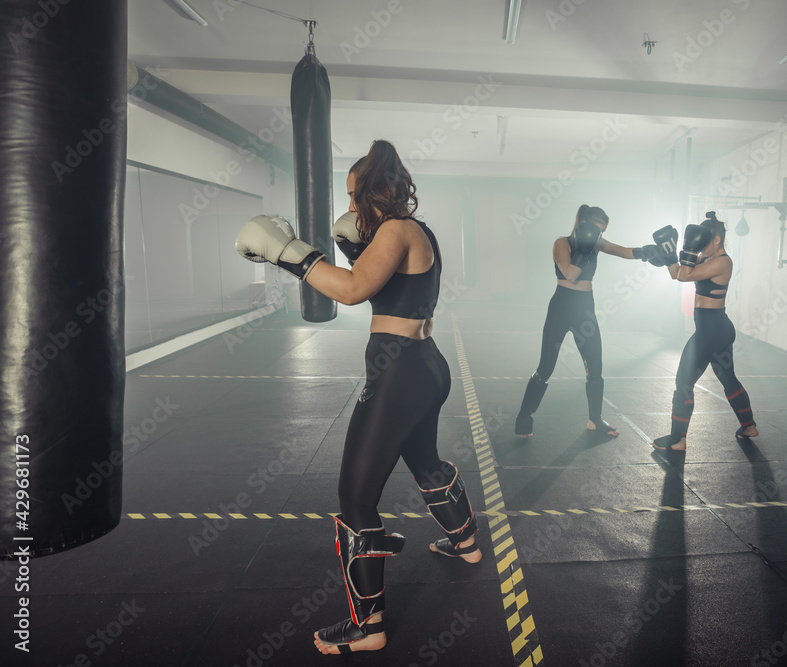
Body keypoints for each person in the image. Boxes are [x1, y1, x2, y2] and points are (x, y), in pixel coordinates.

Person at [235, 139, 480, 656]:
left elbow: (350, 291)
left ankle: (368, 627)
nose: (349, 206)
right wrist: (351, 251)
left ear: (379, 191)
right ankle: (466, 543)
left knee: (355, 498)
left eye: (355, 195)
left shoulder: (394, 231)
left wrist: (288, 252)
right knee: (425, 460)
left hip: (399, 376)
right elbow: (390, 287)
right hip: (426, 364)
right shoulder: (418, 230)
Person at [515, 204, 669, 438]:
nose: (599, 235)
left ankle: (595, 421)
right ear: (584, 224)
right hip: (561, 307)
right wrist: (584, 248)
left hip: (585, 309)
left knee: (595, 367)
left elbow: (623, 251)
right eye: (597, 229)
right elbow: (570, 274)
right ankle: (524, 418)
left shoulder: (597, 243)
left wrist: (647, 252)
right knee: (546, 367)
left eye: (602, 231)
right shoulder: (561, 243)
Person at [653, 211, 757, 451]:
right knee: (727, 377)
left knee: (684, 381)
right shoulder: (706, 258)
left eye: (703, 241)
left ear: (717, 240)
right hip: (717, 328)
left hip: (711, 330)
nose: (699, 246)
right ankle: (749, 426)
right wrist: (668, 256)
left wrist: (683, 253)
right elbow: (677, 274)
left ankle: (678, 439)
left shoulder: (723, 262)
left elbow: (684, 276)